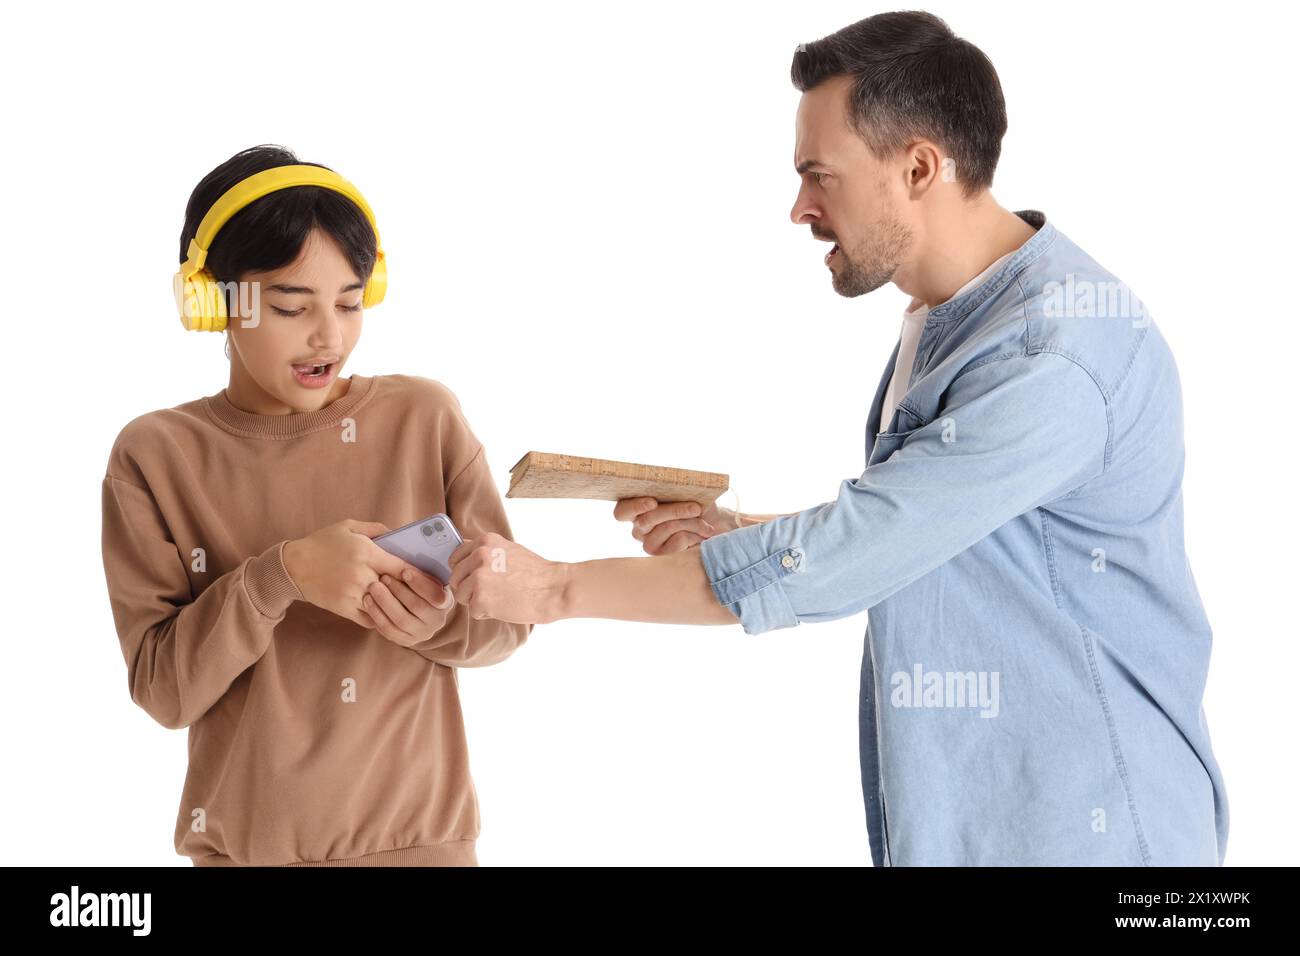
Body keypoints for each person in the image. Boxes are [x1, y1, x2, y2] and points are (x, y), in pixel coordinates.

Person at [444, 12, 1228, 866]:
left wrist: (553, 591)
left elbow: (851, 556)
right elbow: (931, 530)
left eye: (821, 175)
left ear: (920, 166)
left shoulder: (1055, 355)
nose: (800, 207)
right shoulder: (948, 317)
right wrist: (740, 536)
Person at [100, 145, 530, 866]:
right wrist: (281, 576)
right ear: (211, 302)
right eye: (291, 305)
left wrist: (436, 623)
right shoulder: (155, 455)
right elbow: (165, 692)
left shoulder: (423, 419)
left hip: (422, 846)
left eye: (351, 301)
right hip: (241, 852)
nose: (329, 336)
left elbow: (512, 622)